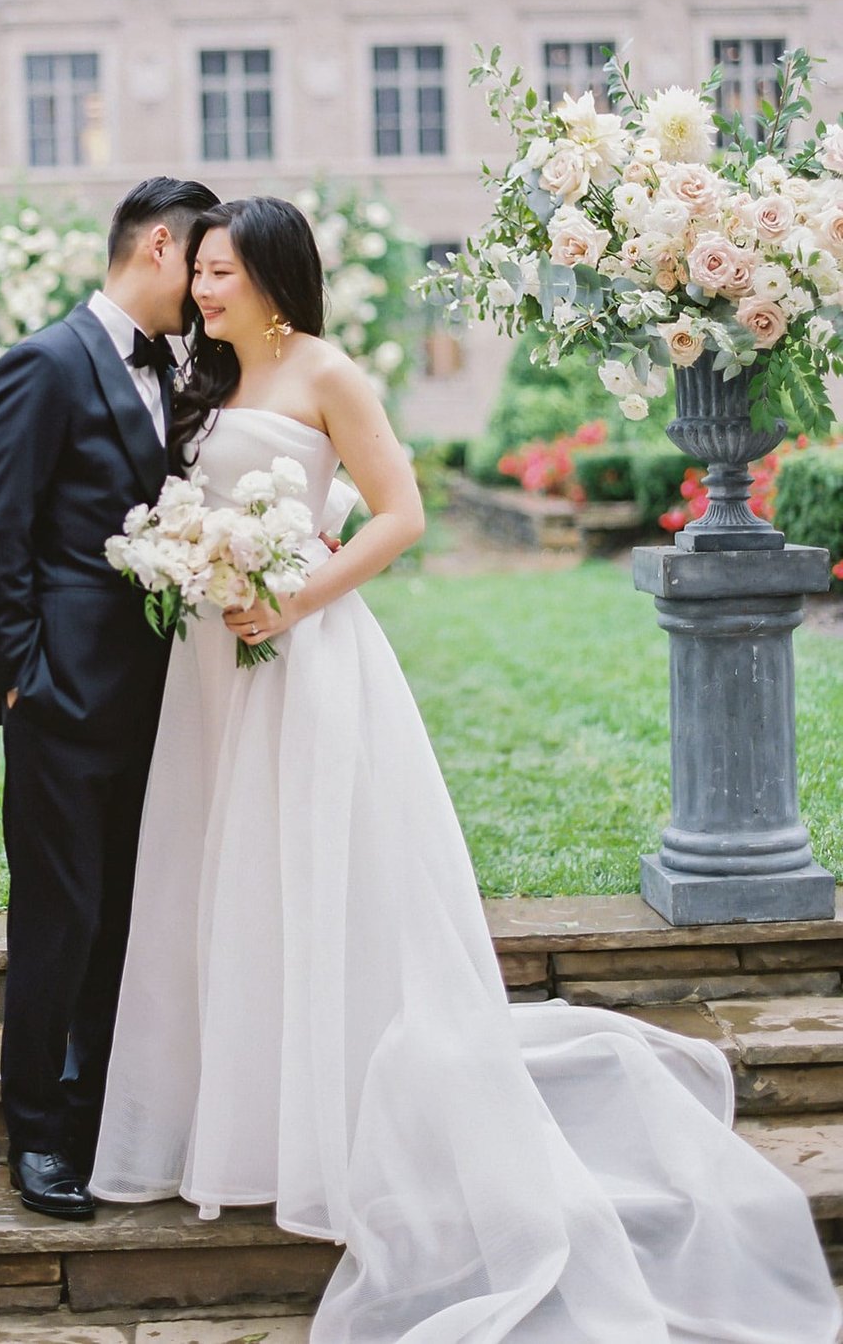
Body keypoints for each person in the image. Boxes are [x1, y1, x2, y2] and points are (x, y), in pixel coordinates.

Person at [90, 195, 841, 1343]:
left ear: (275, 277)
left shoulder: (328, 372)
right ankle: (235, 1122)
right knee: (217, 875)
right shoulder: (200, 376)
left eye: (222, 270)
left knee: (312, 873)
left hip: (302, 648)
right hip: (205, 664)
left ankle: (338, 1127)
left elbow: (398, 515)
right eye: (198, 270)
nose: (202, 287)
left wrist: (290, 596)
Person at [0, 174, 218, 1221]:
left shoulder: (187, 371)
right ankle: (37, 1134)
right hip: (62, 699)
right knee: (58, 919)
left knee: (128, 917)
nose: (207, 289)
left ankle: (103, 1112)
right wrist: (21, 678)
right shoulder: (45, 362)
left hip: (165, 700)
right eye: (201, 264)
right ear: (158, 245)